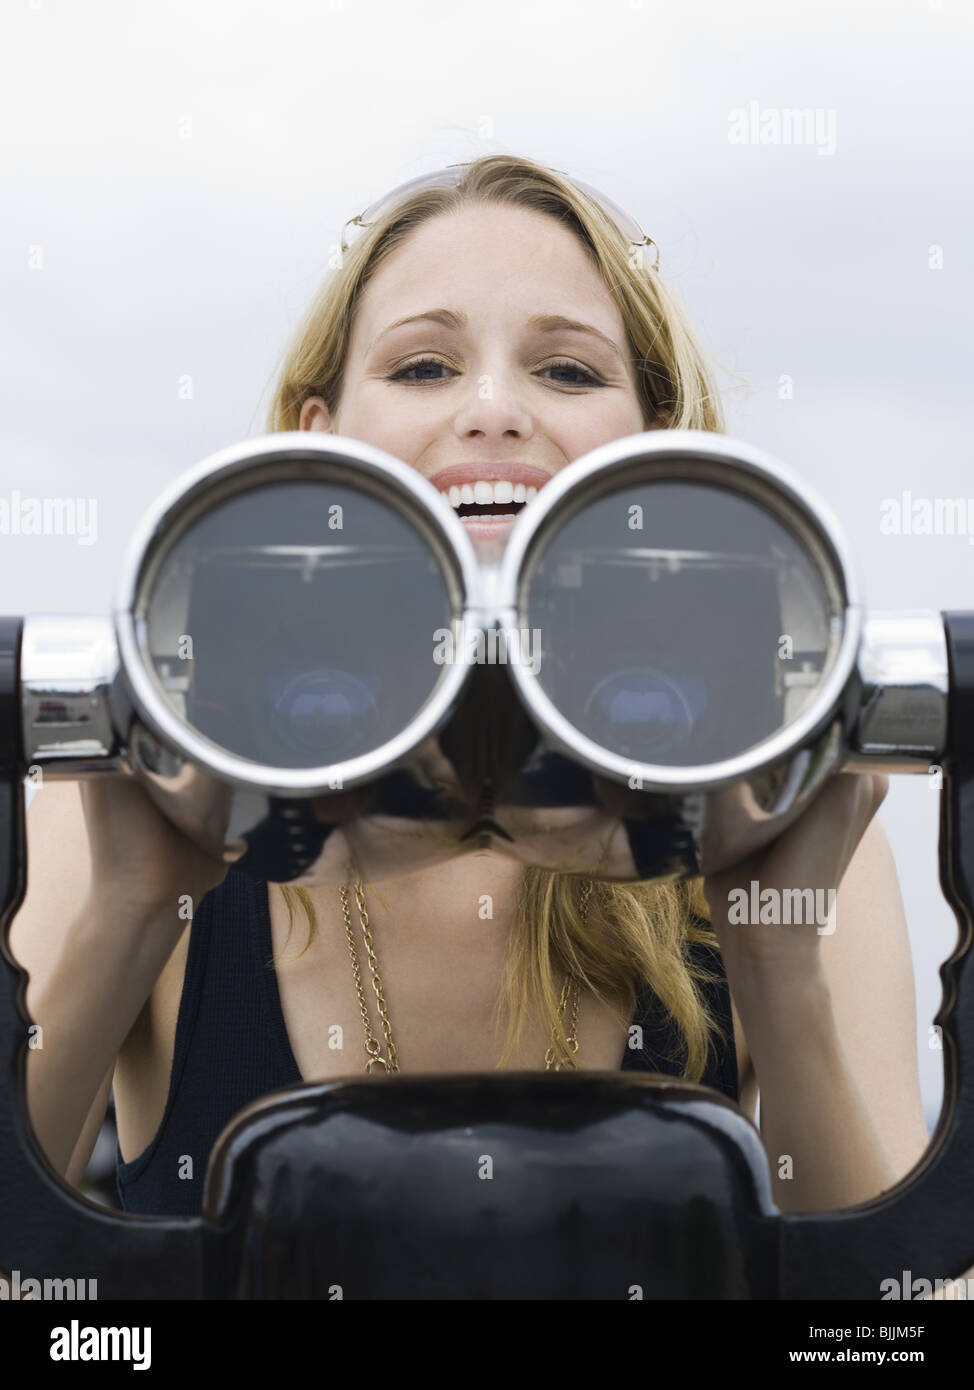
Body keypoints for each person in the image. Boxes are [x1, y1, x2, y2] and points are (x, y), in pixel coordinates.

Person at [9, 154, 928, 1223]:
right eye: (423, 367)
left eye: (569, 373)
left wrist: (777, 959)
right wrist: (130, 905)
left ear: (657, 453)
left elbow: (891, 1322)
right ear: (321, 445)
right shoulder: (141, 795)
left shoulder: (771, 798)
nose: (492, 409)